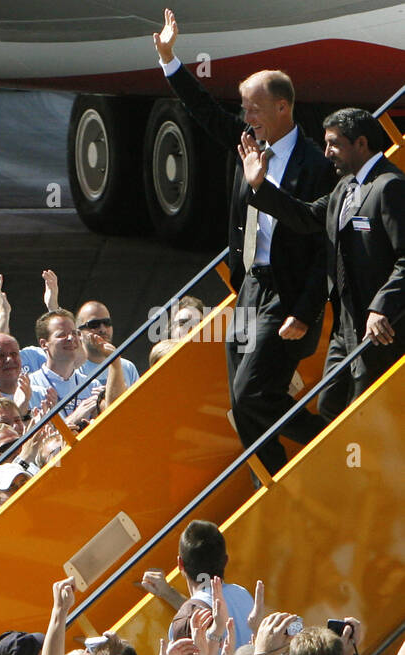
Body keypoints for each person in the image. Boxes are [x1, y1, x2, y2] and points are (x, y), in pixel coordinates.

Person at [155, 9, 335, 473]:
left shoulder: (314, 165)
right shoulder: (248, 143)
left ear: (283, 107)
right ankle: (277, 475)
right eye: (244, 108)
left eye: (254, 108)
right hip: (250, 286)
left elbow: (323, 248)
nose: (246, 116)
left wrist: (305, 308)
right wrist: (170, 60)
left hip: (287, 291)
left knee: (253, 393)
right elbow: (205, 112)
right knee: (242, 400)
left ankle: (327, 441)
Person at [240, 108, 405, 418]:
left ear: (361, 143)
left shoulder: (390, 186)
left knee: (365, 416)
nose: (327, 153)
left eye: (334, 144)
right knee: (329, 405)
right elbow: (305, 217)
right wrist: (261, 187)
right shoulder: (345, 187)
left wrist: (381, 306)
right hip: (346, 329)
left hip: (379, 330)